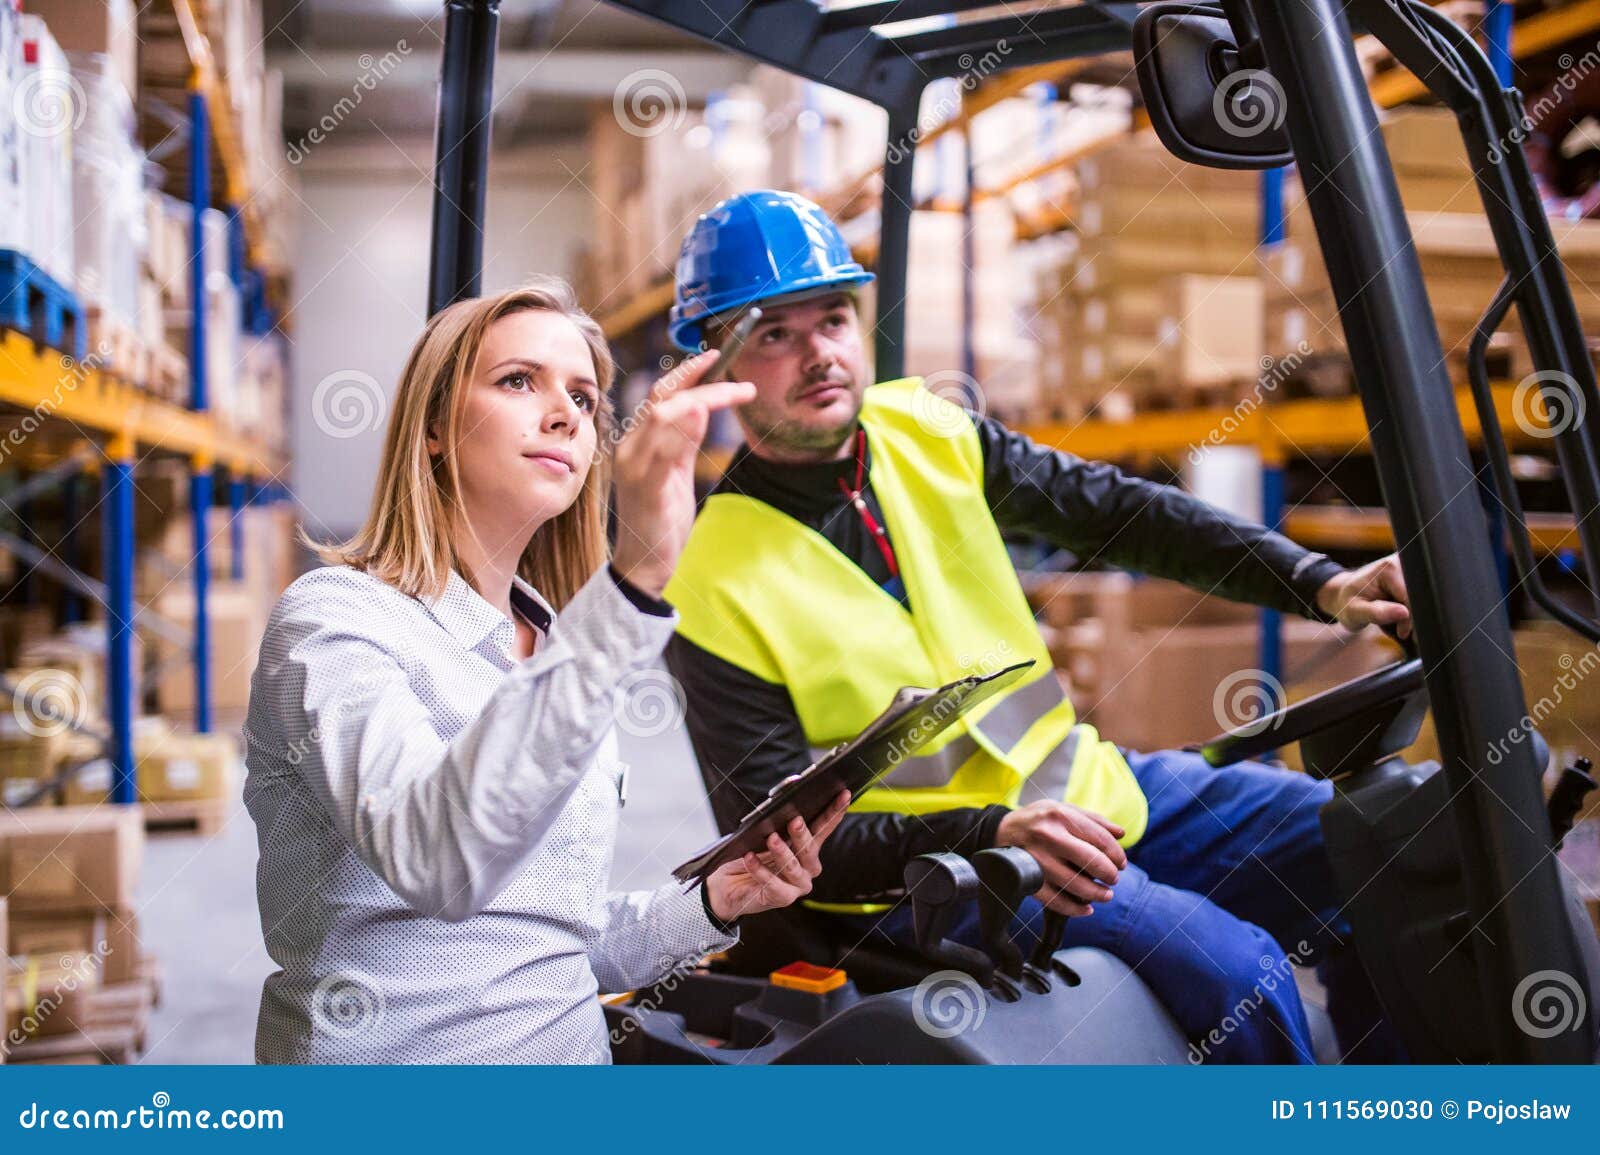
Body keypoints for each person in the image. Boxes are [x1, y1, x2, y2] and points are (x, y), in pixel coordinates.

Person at [661, 190, 1413, 1064]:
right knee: (1238, 970)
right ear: (718, 362)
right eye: (773, 334)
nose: (819, 352)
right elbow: (780, 848)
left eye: (831, 317)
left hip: (1086, 794)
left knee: (1377, 845)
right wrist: (990, 832)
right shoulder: (711, 581)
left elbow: (1125, 513)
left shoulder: (929, 430)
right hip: (937, 875)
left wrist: (1323, 582)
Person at [243, 277, 849, 1064]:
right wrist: (629, 588)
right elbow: (438, 860)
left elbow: (548, 947)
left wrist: (711, 899)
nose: (565, 412)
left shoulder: (557, 641)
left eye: (586, 398)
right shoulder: (335, 622)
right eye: (519, 381)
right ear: (431, 427)